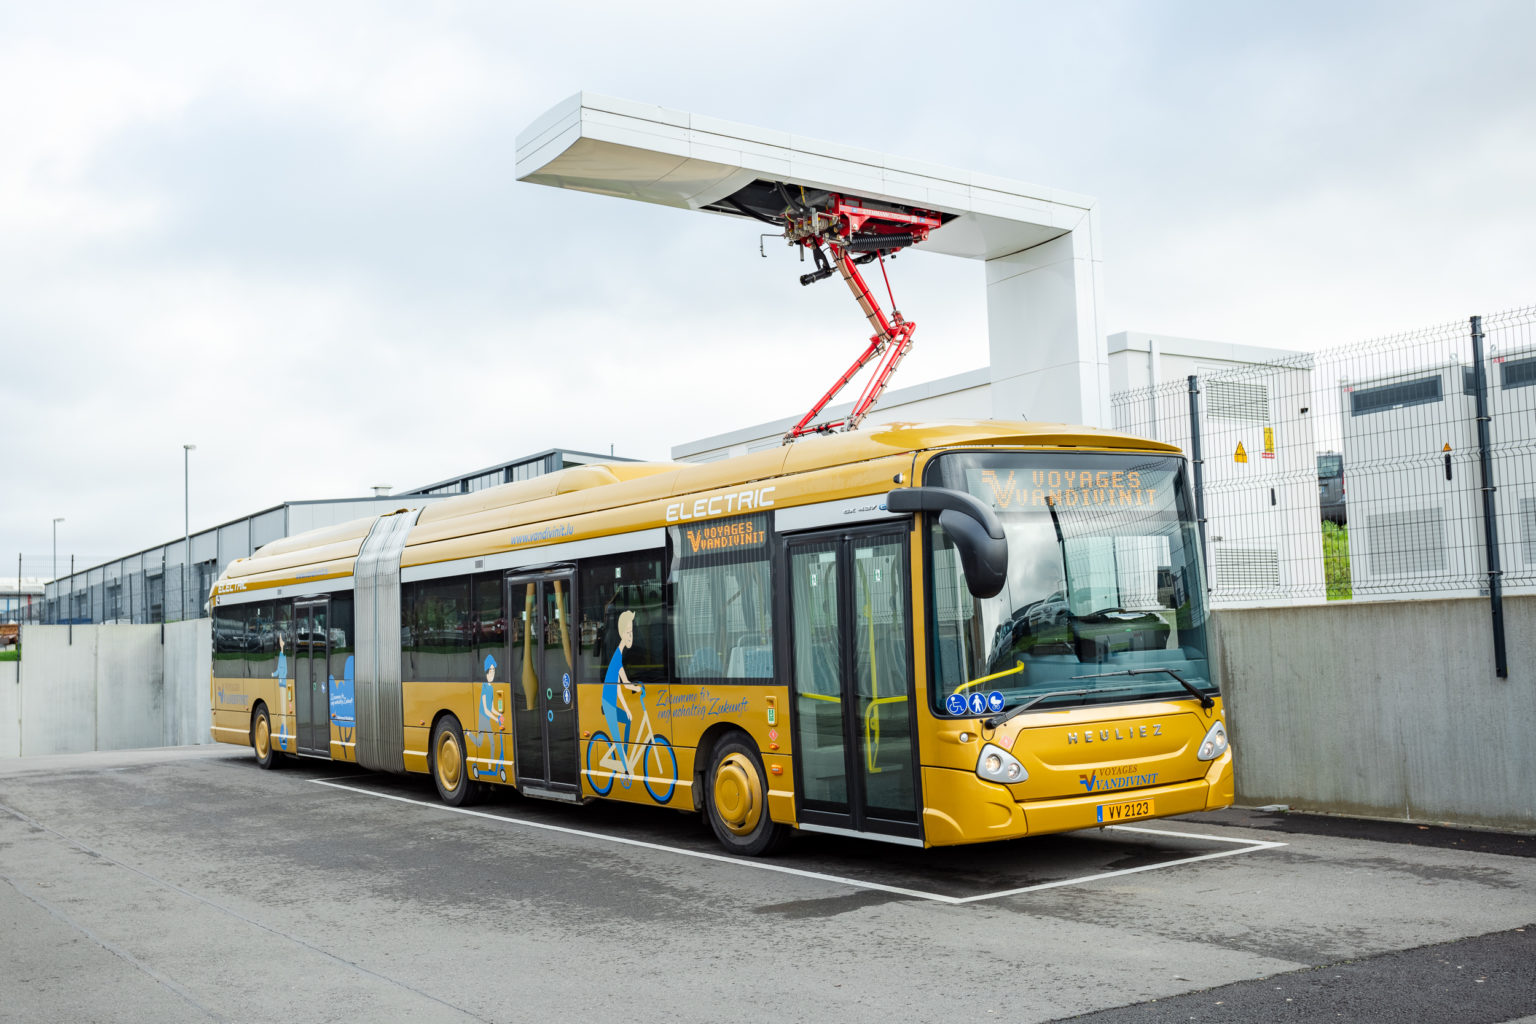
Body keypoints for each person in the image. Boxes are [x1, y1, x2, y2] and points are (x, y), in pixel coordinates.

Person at [602, 610, 643, 784]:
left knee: (627, 720)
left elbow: (623, 684)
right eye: (628, 633)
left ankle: (623, 757)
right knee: (618, 740)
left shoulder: (619, 655)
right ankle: (618, 763)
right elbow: (620, 686)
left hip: (612, 700)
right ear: (621, 634)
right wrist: (628, 703)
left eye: (632, 632)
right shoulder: (617, 656)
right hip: (608, 703)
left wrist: (637, 688)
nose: (630, 636)